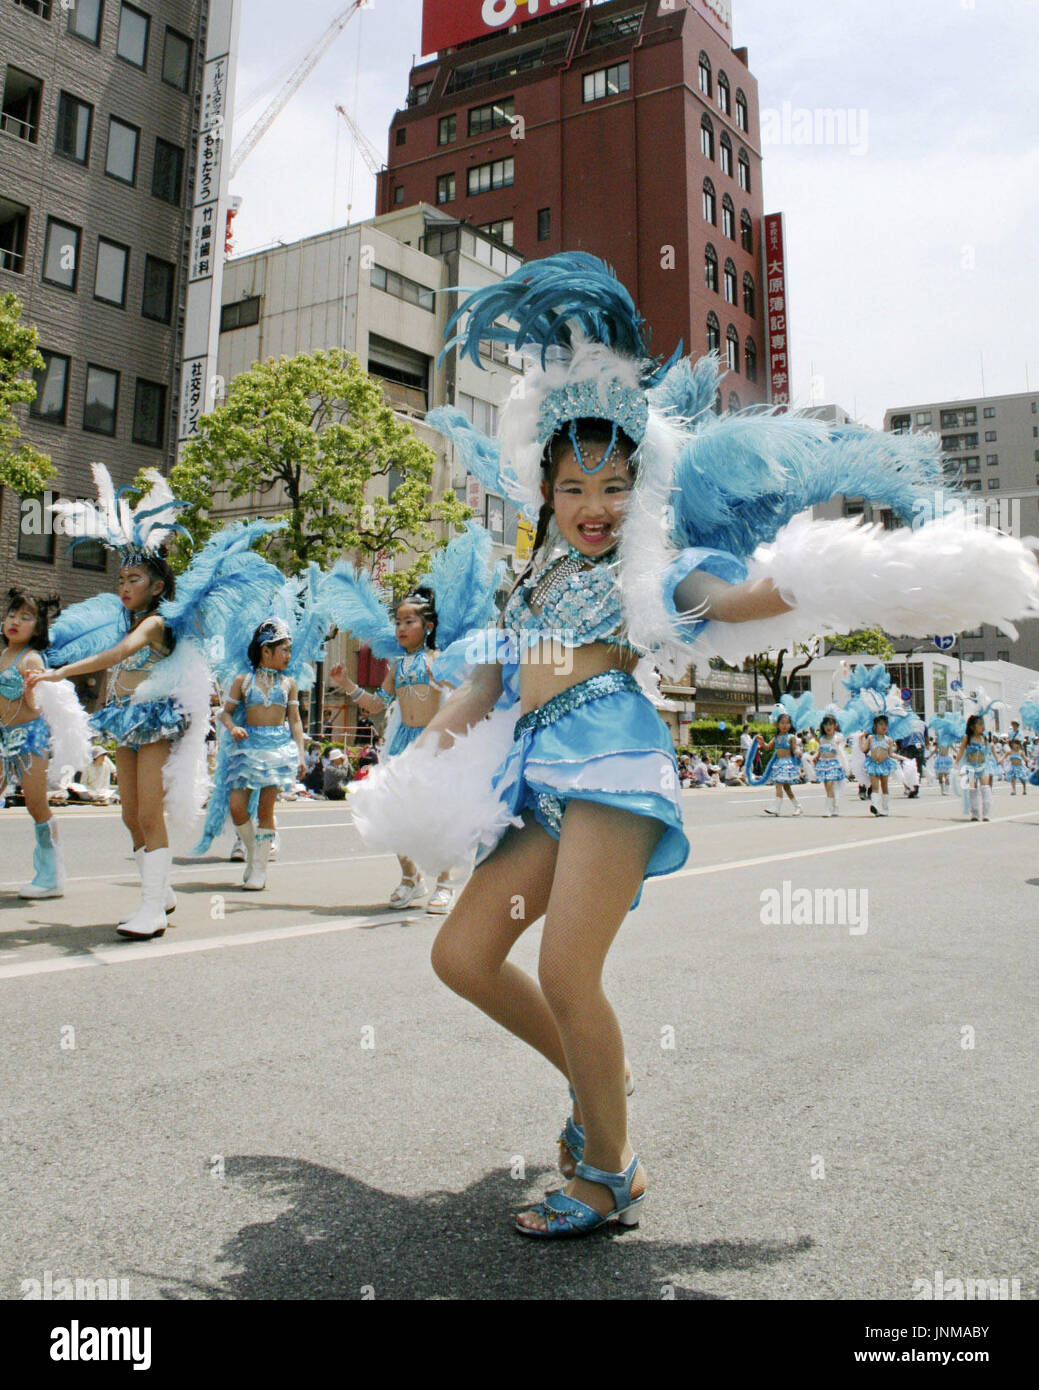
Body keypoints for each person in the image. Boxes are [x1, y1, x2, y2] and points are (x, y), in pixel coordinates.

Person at [347, 251, 1039, 1239]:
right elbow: (486, 686)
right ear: (545, 487)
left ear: (641, 489)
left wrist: (832, 576)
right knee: (461, 953)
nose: (595, 501)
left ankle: (609, 1170)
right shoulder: (526, 583)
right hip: (534, 780)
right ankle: (600, 1079)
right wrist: (410, 765)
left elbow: (733, 599)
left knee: (566, 973)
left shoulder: (651, 576)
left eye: (616, 483)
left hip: (612, 770)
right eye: (576, 481)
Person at [329, 589, 457, 914]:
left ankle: (444, 884)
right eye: (397, 622)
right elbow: (376, 704)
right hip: (402, 745)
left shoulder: (441, 659)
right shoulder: (397, 667)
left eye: (409, 621)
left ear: (427, 626)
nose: (401, 628)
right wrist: (347, 685)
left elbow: (462, 698)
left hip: (434, 746)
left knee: (437, 817)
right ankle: (411, 878)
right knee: (393, 813)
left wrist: (444, 683)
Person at [213, 620, 306, 890]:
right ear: (266, 650)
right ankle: (254, 854)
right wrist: (233, 727)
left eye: (289, 650)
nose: (289, 656)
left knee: (266, 810)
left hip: (277, 749)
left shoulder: (289, 683)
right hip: (247, 749)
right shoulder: (243, 682)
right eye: (285, 650)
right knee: (237, 807)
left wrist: (300, 754)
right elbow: (224, 712)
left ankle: (259, 870)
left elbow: (296, 721)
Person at [1, 589, 81, 897]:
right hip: (2, 736)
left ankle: (51, 876)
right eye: (11, 615)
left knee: (36, 804)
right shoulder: (2, 654)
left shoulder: (30, 658)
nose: (14, 621)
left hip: (30, 738)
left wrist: (31, 690)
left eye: (25, 617)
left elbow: (36, 708)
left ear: (37, 628)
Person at [760, 711, 803, 816]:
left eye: (787, 723)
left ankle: (778, 808)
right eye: (782, 723)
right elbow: (768, 747)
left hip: (787, 764)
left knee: (782, 786)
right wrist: (762, 742)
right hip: (778, 764)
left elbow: (794, 749)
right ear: (777, 725)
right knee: (783, 787)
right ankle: (796, 806)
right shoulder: (776, 738)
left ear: (790, 725)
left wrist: (798, 753)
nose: (785, 725)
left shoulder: (791, 737)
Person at [956, 715, 995, 821]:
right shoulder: (967, 738)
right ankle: (975, 814)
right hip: (970, 767)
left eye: (983, 724)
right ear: (972, 727)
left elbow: (989, 752)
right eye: (980, 724)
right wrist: (956, 763)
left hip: (982, 767)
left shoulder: (985, 738)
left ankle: (986, 814)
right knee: (973, 790)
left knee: (985, 788)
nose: (982, 726)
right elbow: (961, 751)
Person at [860, 714, 899, 816]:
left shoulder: (888, 740)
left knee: (884, 786)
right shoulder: (871, 738)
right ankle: (875, 806)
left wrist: (902, 758)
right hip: (873, 764)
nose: (884, 726)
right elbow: (864, 749)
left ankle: (885, 809)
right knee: (875, 786)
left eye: (885, 724)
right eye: (881, 724)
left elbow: (891, 754)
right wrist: (860, 738)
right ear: (875, 726)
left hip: (884, 764)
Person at [815, 713, 846, 816]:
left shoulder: (838, 737)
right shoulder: (822, 739)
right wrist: (814, 758)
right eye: (826, 724)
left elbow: (841, 751)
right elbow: (820, 752)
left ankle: (828, 809)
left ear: (835, 725)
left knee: (830, 785)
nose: (828, 727)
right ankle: (834, 806)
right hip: (823, 764)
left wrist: (837, 745)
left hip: (834, 764)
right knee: (828, 788)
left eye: (830, 724)